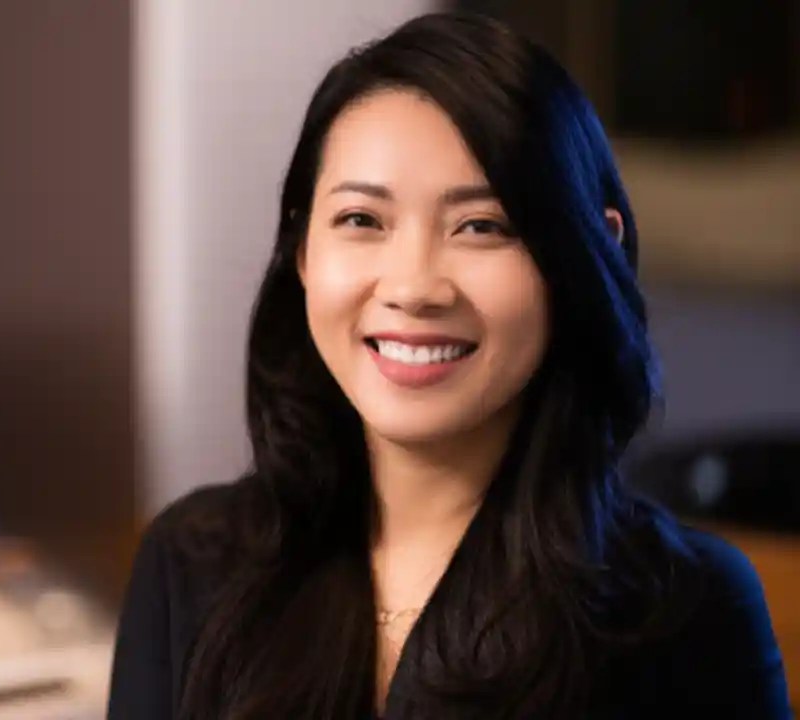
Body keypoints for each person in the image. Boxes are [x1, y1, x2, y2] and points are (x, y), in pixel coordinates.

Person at [106, 11, 792, 720]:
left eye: (481, 227)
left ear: (587, 255)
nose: (412, 287)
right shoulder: (190, 563)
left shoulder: (689, 610)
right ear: (303, 252)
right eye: (362, 221)